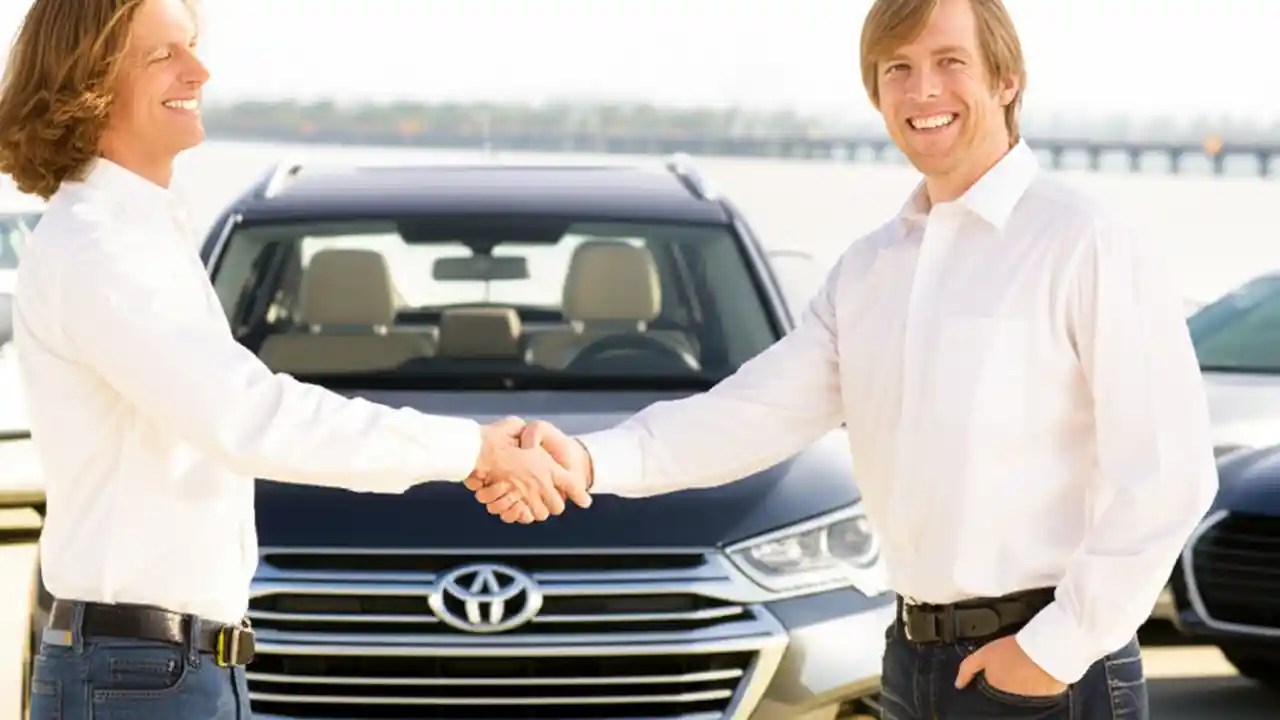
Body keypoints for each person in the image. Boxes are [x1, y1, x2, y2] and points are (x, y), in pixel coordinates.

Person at [473, 0, 1218, 717]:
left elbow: (1167, 473)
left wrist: (1053, 651)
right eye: (897, 68)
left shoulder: (1085, 239)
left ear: (1006, 79)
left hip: (1048, 670)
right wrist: (588, 461)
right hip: (911, 659)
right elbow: (748, 416)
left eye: (949, 61)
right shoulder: (871, 268)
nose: (922, 90)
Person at [0, 1, 590, 717]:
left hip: (170, 670)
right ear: (86, 80)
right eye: (164, 55)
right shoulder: (103, 247)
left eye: (193, 47)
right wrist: (472, 448)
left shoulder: (139, 235)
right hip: (138, 678)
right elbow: (250, 416)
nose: (201, 70)